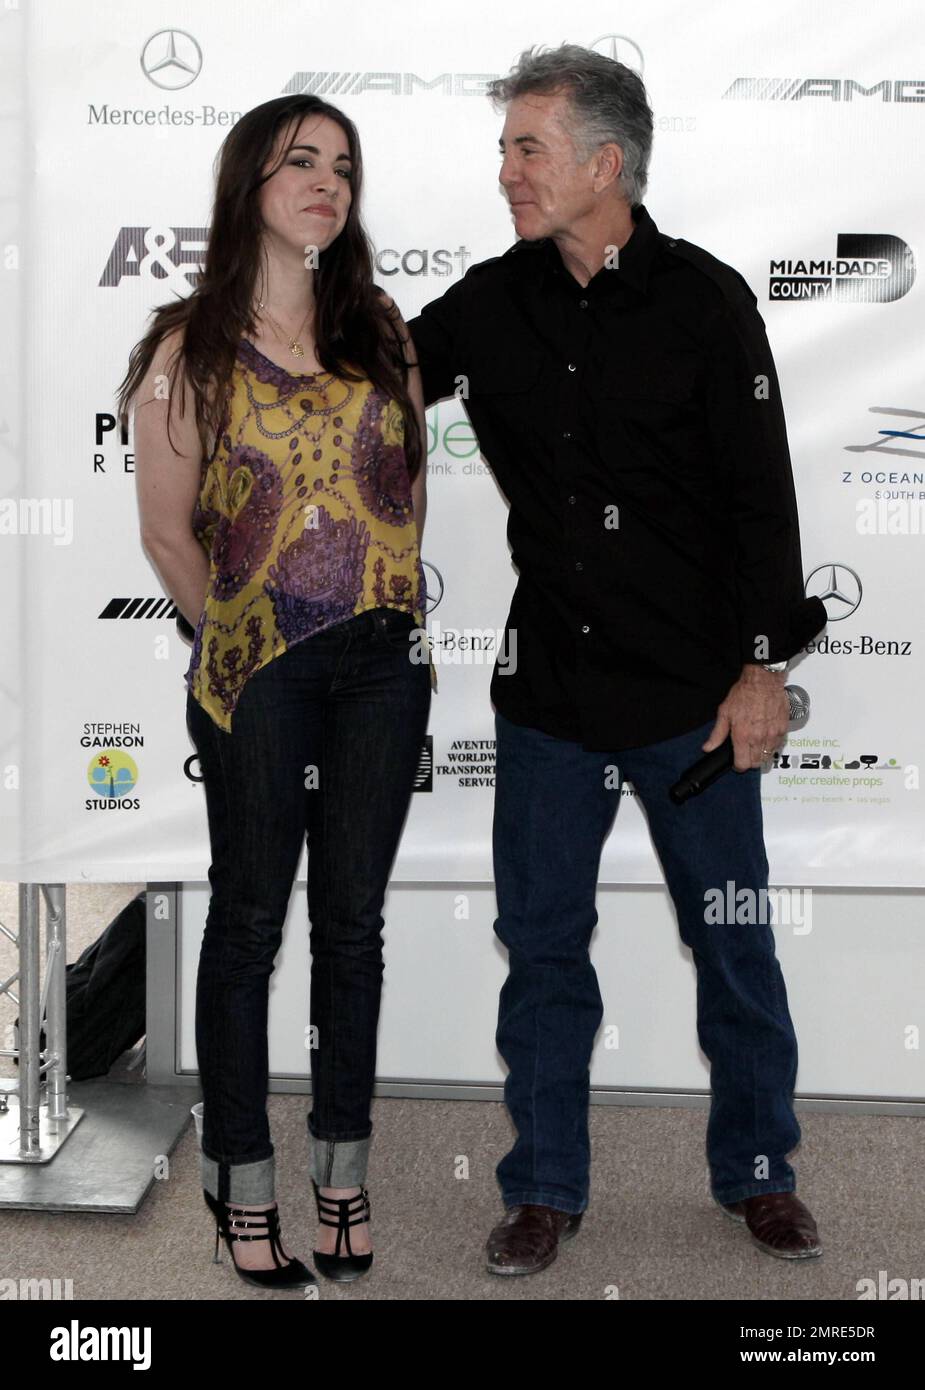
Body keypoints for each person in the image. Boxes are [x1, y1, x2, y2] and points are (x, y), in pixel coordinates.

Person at [406, 43, 828, 1277]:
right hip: (548, 700)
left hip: (691, 695)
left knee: (734, 940)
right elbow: (376, 383)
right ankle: (542, 1189)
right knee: (542, 953)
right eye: (502, 149)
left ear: (605, 162)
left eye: (526, 148)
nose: (506, 174)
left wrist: (761, 670)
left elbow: (764, 500)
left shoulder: (707, 301)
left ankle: (759, 1172)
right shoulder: (491, 301)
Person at [118, 94, 433, 1289]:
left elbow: (404, 500)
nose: (327, 184)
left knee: (353, 926)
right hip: (259, 673)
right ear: (249, 182)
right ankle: (241, 1188)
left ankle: (341, 1175)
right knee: (249, 926)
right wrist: (246, 649)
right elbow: (163, 533)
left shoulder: (382, 331)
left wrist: (376, 612)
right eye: (301, 162)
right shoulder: (182, 348)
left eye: (343, 167)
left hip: (381, 666)